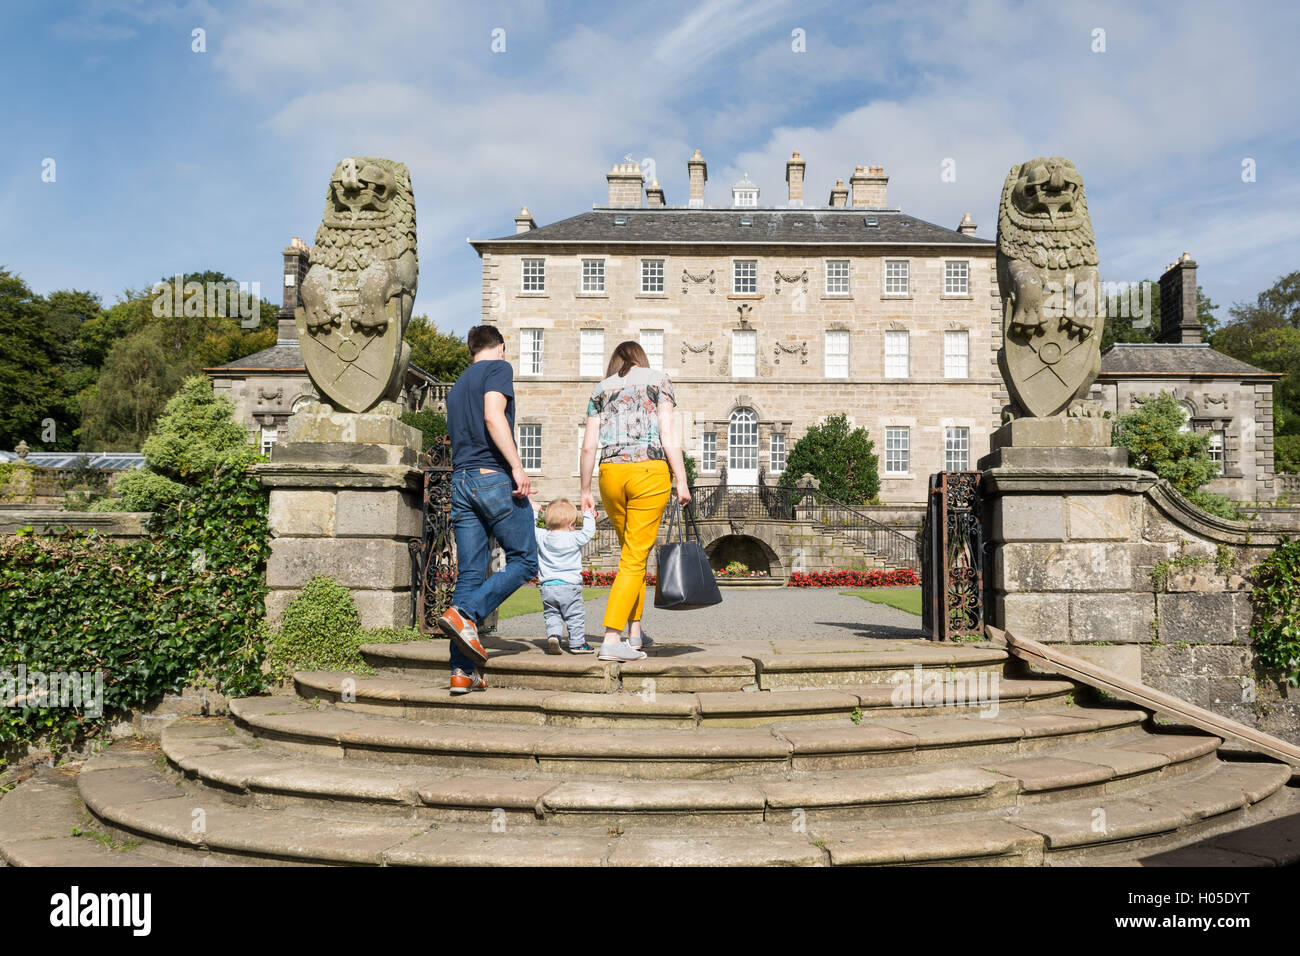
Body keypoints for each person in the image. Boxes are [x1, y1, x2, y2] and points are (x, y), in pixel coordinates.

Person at [437, 325, 539, 695]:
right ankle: (465, 614)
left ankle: (462, 673)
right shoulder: (499, 368)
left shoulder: (458, 384)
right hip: (491, 478)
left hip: (460, 482)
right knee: (526, 560)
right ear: (501, 347)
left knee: (468, 577)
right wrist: (516, 465)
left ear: (470, 351)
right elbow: (494, 417)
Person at [580, 341, 691, 662]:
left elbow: (589, 446)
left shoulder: (602, 388)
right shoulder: (659, 380)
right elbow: (668, 434)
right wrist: (681, 479)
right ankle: (612, 638)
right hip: (648, 472)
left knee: (632, 554)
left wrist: (585, 489)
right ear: (642, 359)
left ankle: (635, 633)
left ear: (616, 360)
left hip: (609, 474)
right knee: (634, 558)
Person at [533, 498, 597, 655]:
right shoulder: (574, 537)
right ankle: (577, 643)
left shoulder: (542, 536)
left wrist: (534, 510)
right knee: (575, 615)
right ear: (571, 524)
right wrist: (588, 514)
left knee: (552, 614)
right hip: (569, 587)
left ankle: (554, 636)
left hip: (547, 587)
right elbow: (589, 532)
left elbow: (529, 529)